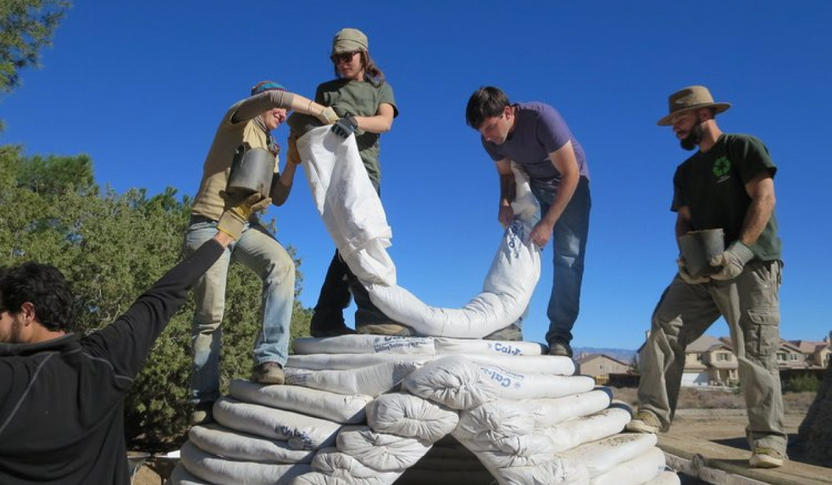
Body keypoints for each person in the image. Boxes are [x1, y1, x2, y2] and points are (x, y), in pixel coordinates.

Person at [0, 192, 264, 484]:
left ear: (26, 312)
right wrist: (227, 231)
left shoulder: (11, 378)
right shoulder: (105, 357)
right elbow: (164, 294)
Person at [626, 85, 786, 469]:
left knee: (754, 348)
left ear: (703, 114)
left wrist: (740, 251)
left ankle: (768, 441)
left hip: (752, 264)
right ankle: (652, 414)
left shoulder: (742, 148)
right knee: (665, 325)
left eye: (679, 120)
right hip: (703, 269)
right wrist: (686, 259)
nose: (674, 129)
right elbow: (684, 220)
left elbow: (764, 197)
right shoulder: (685, 172)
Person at [185, 81, 338, 424]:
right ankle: (202, 400)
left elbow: (278, 197)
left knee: (282, 265)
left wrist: (293, 161)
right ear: (261, 102)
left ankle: (269, 360)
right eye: (279, 109)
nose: (282, 113)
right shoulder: (237, 120)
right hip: (210, 222)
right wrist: (319, 110)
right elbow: (273, 97)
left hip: (244, 226)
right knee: (211, 314)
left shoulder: (271, 146)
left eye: (284, 112)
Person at [289, 28, 401, 338]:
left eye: (347, 56)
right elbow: (309, 123)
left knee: (356, 240)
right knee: (356, 240)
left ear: (363, 55)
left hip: (366, 173)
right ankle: (370, 314)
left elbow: (385, 122)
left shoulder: (380, 89)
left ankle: (326, 316)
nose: (341, 62)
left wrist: (353, 121)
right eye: (336, 58)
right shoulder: (325, 90)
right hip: (335, 174)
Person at [465, 86, 591, 356]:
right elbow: (506, 175)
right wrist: (505, 202)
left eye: (489, 127)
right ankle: (509, 324)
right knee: (518, 246)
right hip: (533, 184)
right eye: (481, 132)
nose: (487, 137)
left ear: (507, 112)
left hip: (571, 185)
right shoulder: (488, 139)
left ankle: (560, 337)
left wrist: (548, 222)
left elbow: (571, 173)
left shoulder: (542, 119)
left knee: (568, 258)